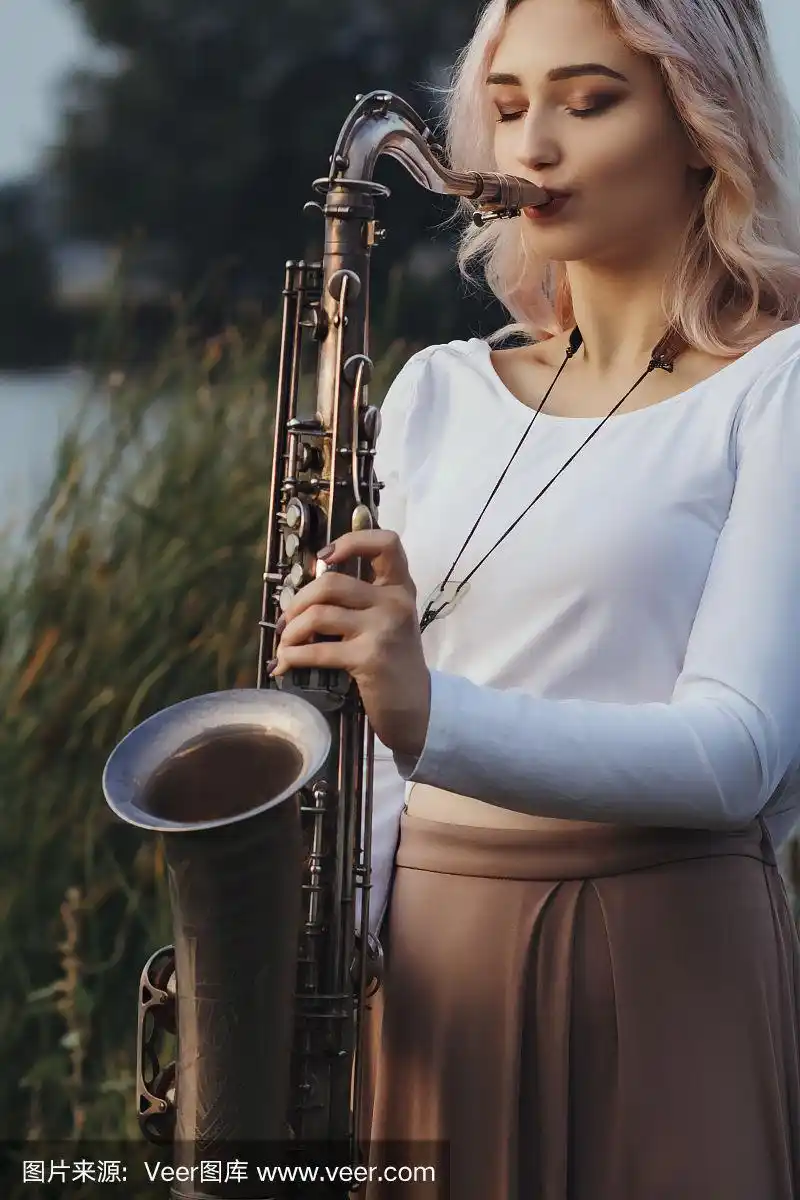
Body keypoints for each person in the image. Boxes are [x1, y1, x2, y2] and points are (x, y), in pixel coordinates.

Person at [268, 0, 800, 1194]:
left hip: (668, 964)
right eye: (506, 109)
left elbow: (736, 756)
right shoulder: (434, 391)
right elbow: (372, 751)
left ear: (700, 123)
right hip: (427, 980)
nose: (529, 150)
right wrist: (306, 958)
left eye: (588, 100)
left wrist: (427, 712)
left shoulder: (779, 386)